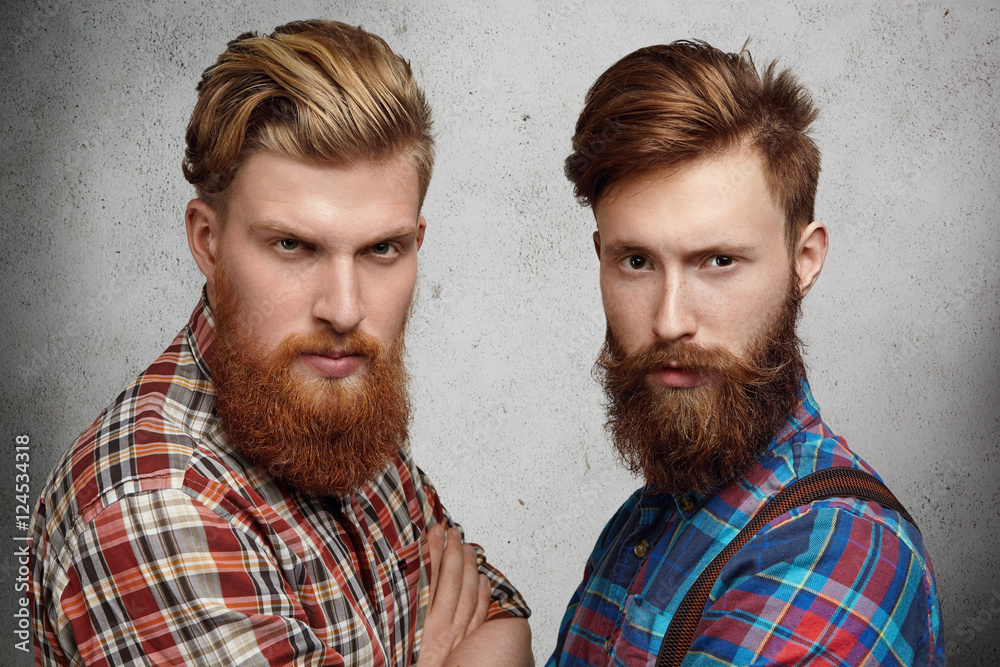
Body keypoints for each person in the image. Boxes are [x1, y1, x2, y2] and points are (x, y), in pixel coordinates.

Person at [29, 19, 531, 666]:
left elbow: (503, 625)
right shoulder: (156, 506)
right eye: (293, 245)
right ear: (208, 242)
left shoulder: (339, 398)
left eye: (382, 249)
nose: (345, 310)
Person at [548, 41, 944, 665]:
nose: (670, 320)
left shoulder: (835, 550)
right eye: (636, 261)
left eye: (720, 261)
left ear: (803, 260)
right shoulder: (652, 517)